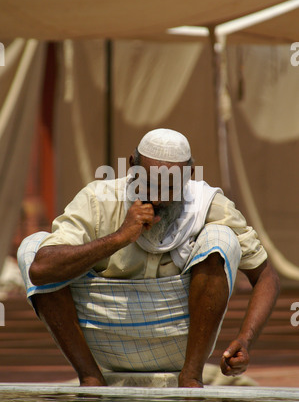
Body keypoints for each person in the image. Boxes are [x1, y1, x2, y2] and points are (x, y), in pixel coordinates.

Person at [18, 129, 280, 388]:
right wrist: (119, 237)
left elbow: (266, 276)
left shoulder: (207, 205)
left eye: (168, 187)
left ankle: (190, 377)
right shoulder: (98, 199)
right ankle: (90, 377)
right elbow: (41, 269)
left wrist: (245, 340)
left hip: (177, 340)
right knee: (33, 247)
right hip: (102, 338)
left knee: (222, 238)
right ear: (132, 166)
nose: (156, 197)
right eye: (149, 183)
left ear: (189, 175)